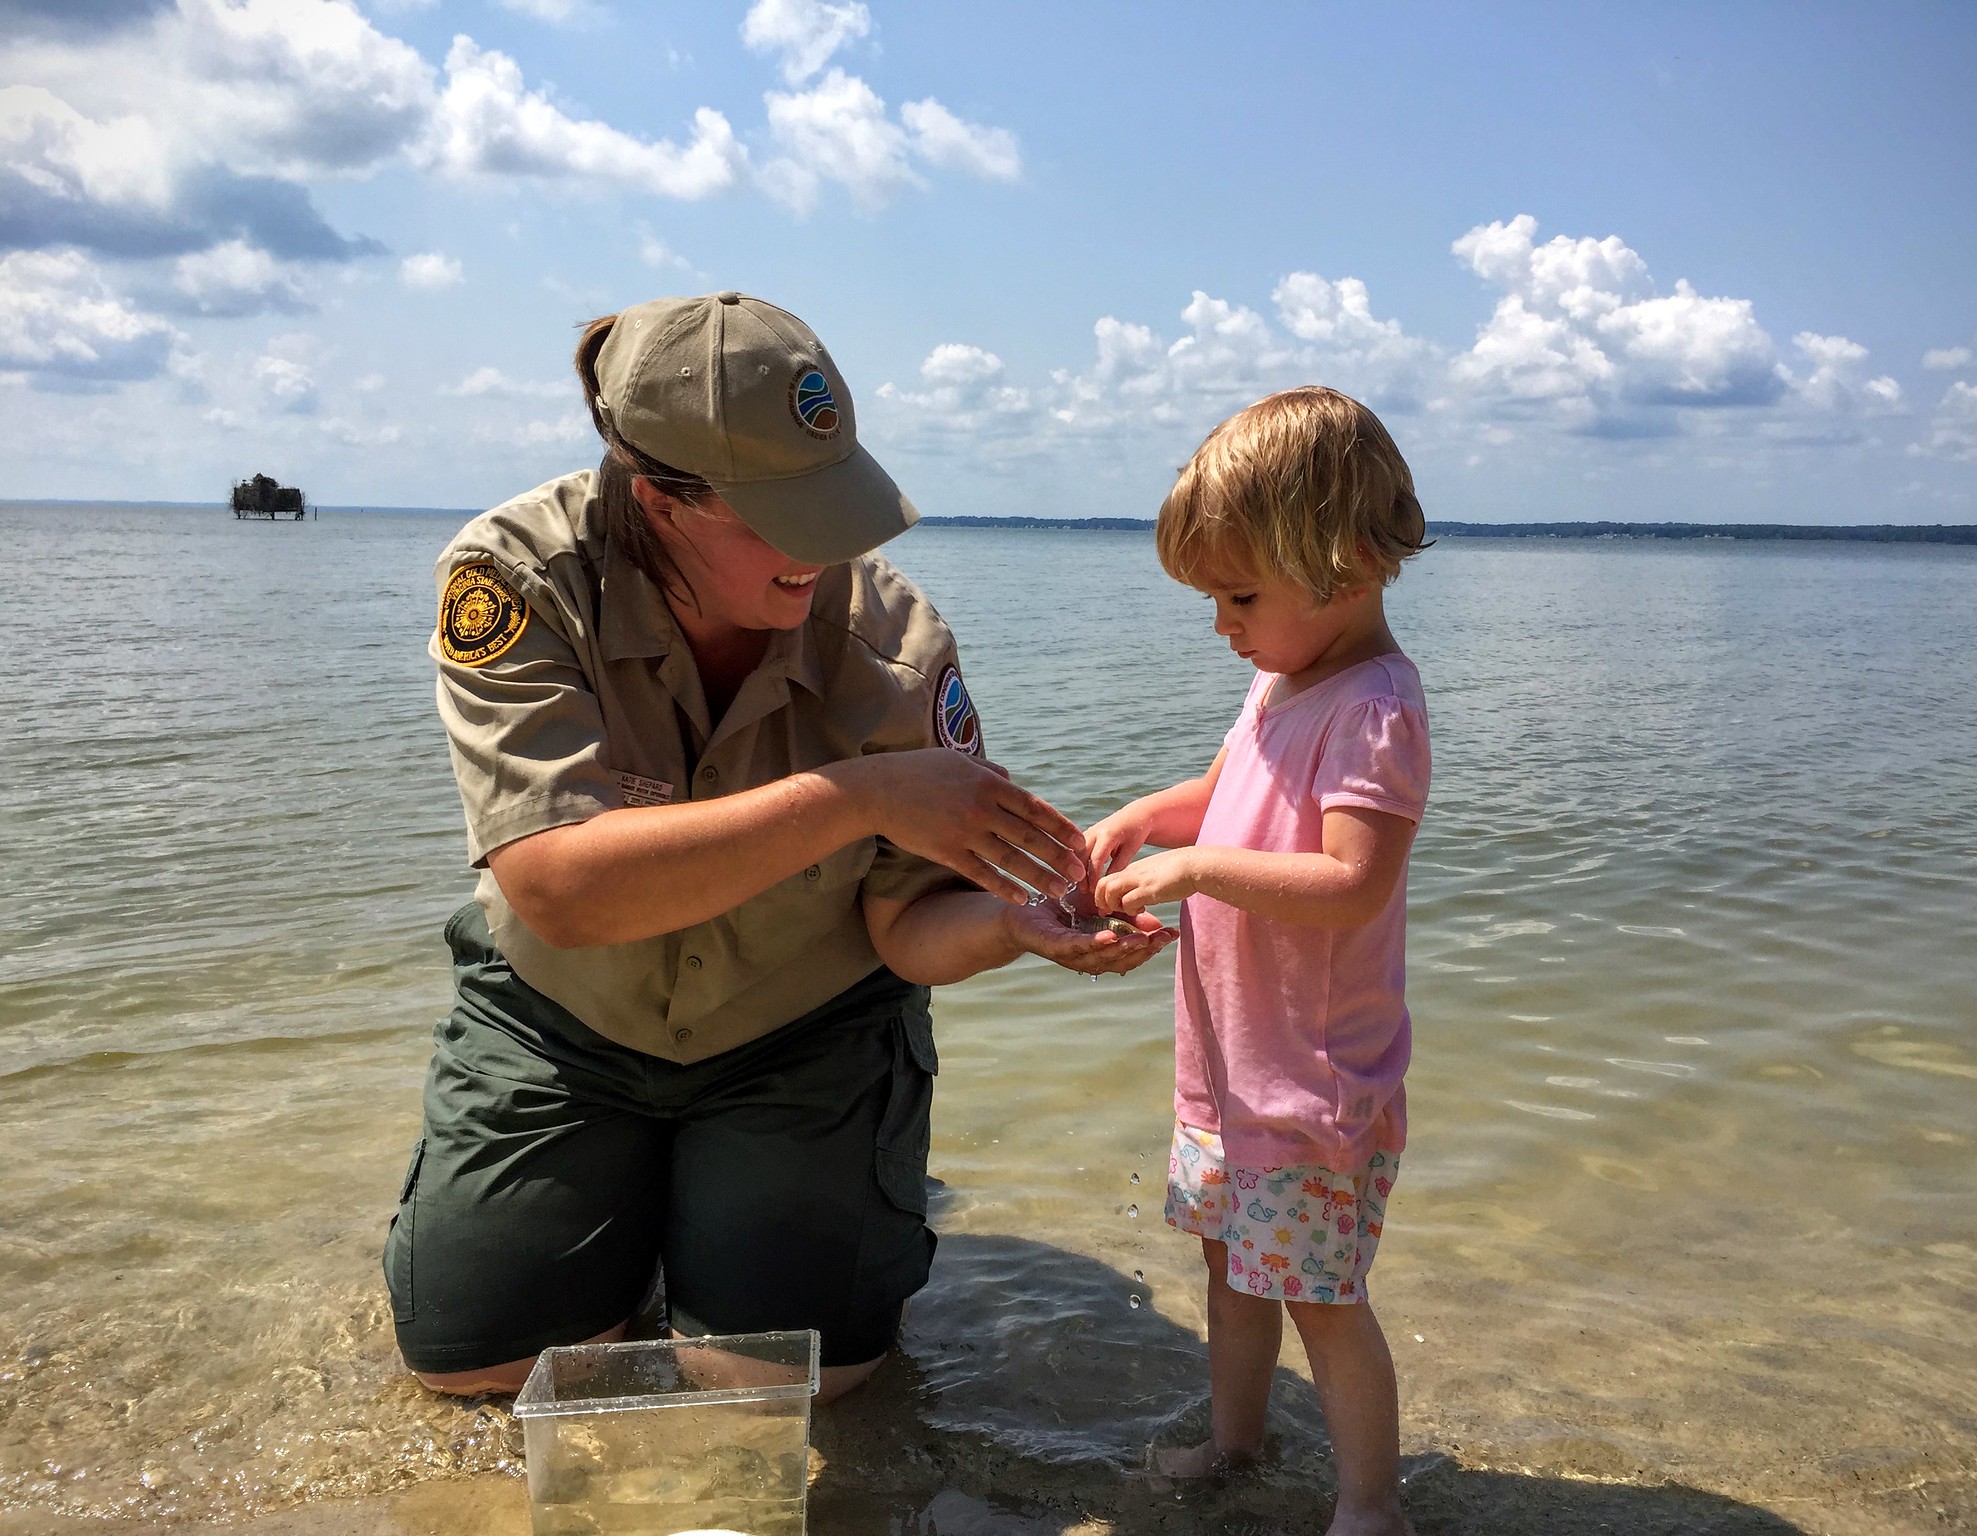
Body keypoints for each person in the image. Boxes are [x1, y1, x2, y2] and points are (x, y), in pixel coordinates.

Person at [383, 291, 1174, 1404]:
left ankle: (725, 1203)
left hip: (802, 1034)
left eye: (834, 498)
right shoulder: (516, 579)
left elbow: (902, 931)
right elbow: (557, 890)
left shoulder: (896, 646)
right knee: (480, 1371)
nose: (829, 547)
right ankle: (645, 1202)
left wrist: (1012, 925)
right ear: (655, 496)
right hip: (564, 1020)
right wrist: (858, 797)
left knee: (777, 1388)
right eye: (781, 515)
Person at [1087, 387, 1430, 1536]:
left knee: (1324, 1303)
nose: (1221, 624)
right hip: (1231, 1074)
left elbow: (1351, 881)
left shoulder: (1375, 708)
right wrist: (1154, 812)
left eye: (1239, 595)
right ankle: (1234, 1445)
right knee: (1232, 1275)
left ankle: (1367, 1506)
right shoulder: (1280, 680)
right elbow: (1237, 793)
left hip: (1310, 1084)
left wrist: (1192, 871)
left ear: (1339, 570)